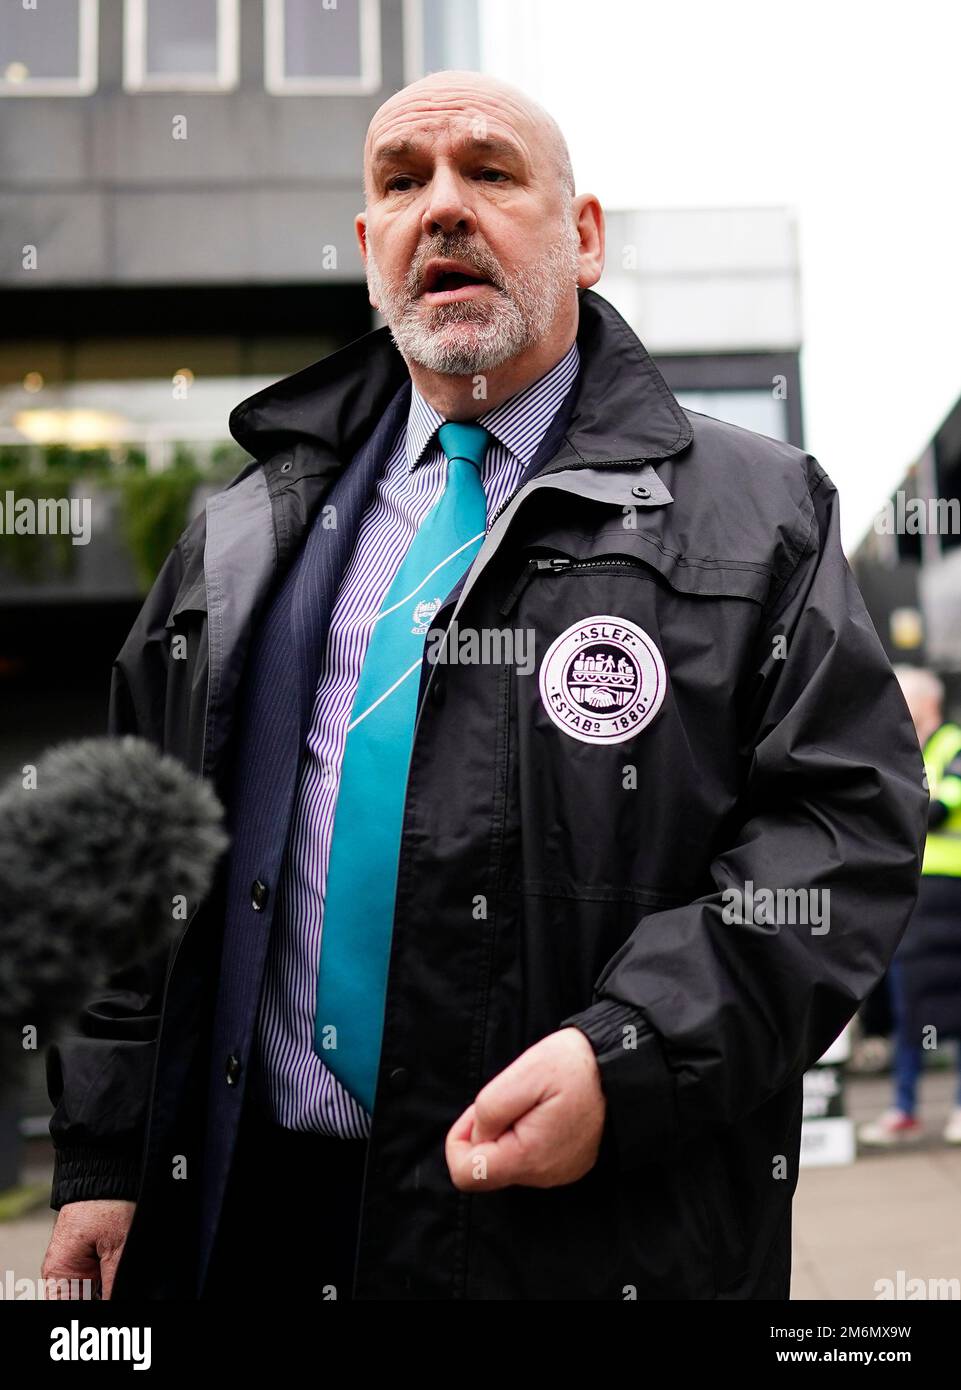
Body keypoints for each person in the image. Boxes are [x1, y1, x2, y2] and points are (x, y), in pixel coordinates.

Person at [41, 70, 926, 1302]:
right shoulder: (244, 536)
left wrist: (627, 1057)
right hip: (253, 1221)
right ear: (369, 251)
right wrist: (104, 1151)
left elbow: (841, 838)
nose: (441, 208)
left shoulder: (760, 512)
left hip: (586, 1235)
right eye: (402, 184)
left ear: (584, 236)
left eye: (490, 172)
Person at [859, 666, 961, 1147]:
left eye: (902, 698)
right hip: (914, 896)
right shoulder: (902, 751)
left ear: (926, 704)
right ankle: (904, 1109)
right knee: (907, 1003)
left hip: (953, 893)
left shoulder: (954, 746)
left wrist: (893, 806)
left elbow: (940, 808)